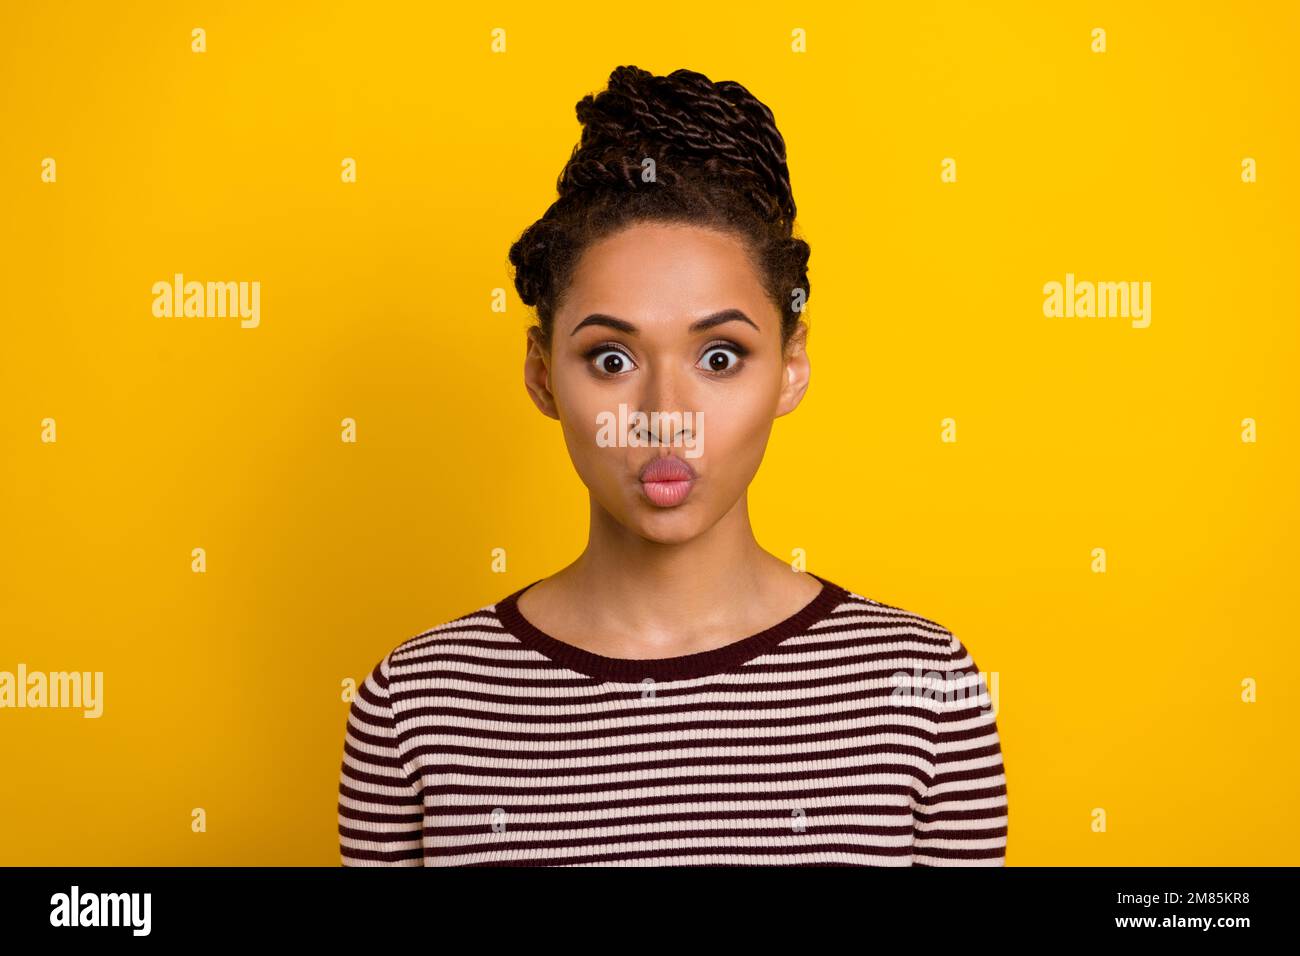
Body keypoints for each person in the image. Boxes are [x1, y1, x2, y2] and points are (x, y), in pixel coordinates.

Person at [338, 64, 1007, 866]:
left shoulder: (924, 692)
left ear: (791, 366)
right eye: (611, 358)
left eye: (720, 356)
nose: (665, 414)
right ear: (544, 374)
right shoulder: (417, 707)